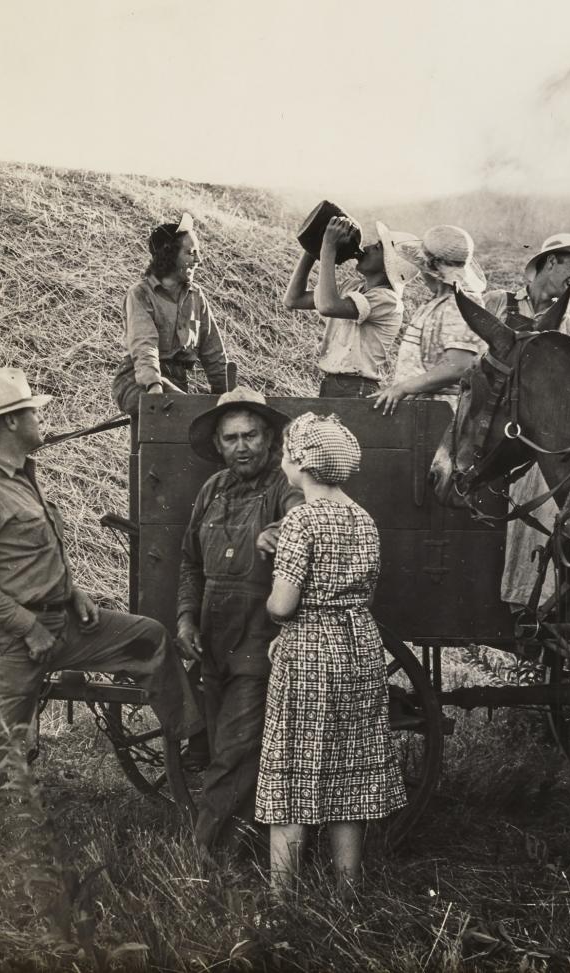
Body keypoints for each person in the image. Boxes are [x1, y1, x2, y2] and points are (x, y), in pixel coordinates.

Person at [0, 367, 203, 823]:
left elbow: (30, 557)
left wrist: (72, 593)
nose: (39, 420)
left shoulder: (24, 475)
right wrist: (27, 627)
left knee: (150, 638)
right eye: (31, 412)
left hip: (62, 624)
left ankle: (198, 750)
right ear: (10, 422)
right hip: (9, 644)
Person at [255, 413, 406, 894]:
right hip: (360, 646)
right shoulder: (363, 518)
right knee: (351, 770)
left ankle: (282, 900)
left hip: (311, 651)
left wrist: (280, 617)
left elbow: (283, 603)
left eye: (285, 454)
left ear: (300, 461)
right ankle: (346, 893)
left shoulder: (301, 519)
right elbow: (365, 592)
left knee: (293, 768)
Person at [177, 387, 303, 852]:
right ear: (218, 445)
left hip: (258, 637)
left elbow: (303, 515)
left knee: (232, 753)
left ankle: (205, 857)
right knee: (218, 746)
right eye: (231, 438)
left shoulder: (283, 487)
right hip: (213, 635)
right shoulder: (212, 490)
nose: (242, 446)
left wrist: (285, 528)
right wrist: (187, 619)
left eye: (251, 435)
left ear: (269, 438)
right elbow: (190, 562)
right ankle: (245, 848)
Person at [484, 234, 570, 615]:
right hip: (491, 414)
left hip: (534, 431)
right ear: (550, 262)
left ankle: (530, 597)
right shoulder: (499, 303)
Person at [284, 218, 418, 398]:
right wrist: (312, 249)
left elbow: (328, 306)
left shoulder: (388, 300)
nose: (367, 248)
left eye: (377, 248)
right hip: (335, 384)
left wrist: (328, 248)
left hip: (356, 388)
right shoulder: (353, 287)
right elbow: (293, 300)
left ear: (388, 267)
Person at [112, 212, 229, 417]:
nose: (198, 260)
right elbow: (144, 344)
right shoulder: (140, 294)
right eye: (191, 253)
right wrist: (154, 386)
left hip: (176, 383)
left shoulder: (196, 296)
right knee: (186, 410)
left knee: (193, 411)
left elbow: (214, 353)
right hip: (138, 381)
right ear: (169, 254)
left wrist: (226, 397)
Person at [373, 225, 487, 414]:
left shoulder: (461, 304)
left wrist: (402, 388)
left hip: (444, 414)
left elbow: (458, 366)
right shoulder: (433, 304)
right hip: (421, 410)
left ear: (429, 268)